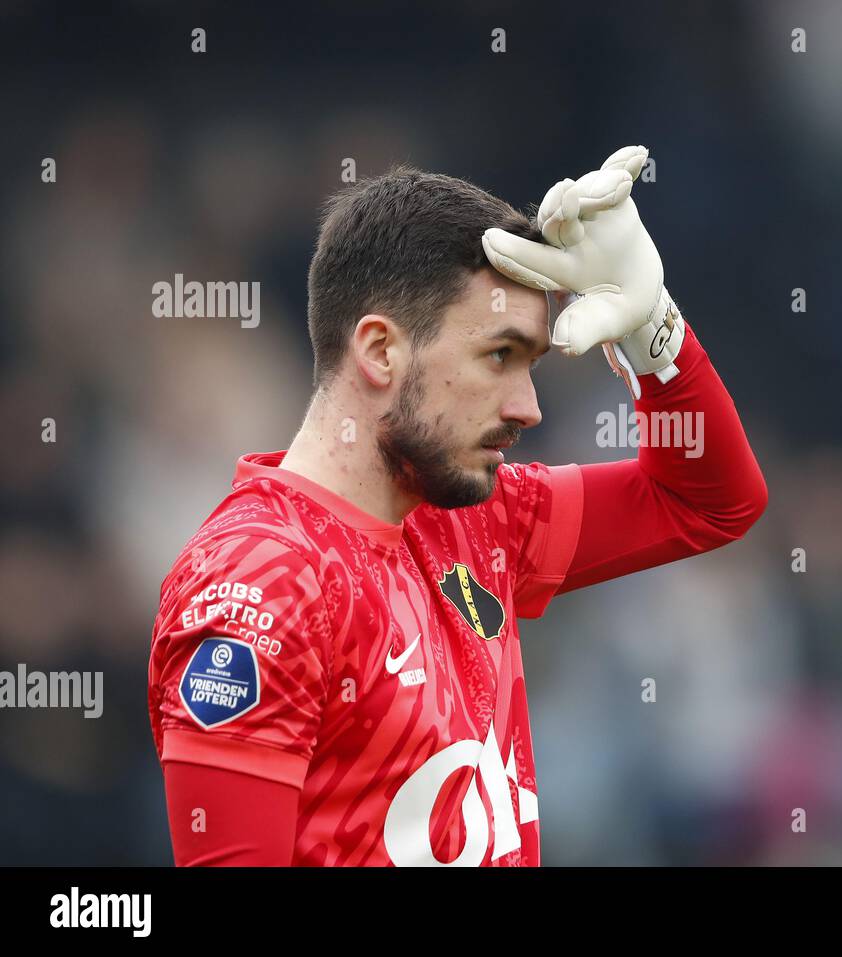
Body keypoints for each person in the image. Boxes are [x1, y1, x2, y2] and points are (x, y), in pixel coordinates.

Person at [147, 146, 767, 866]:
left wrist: (651, 327)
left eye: (532, 364)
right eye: (500, 355)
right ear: (381, 351)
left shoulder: (475, 517)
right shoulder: (261, 579)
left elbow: (710, 499)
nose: (528, 407)